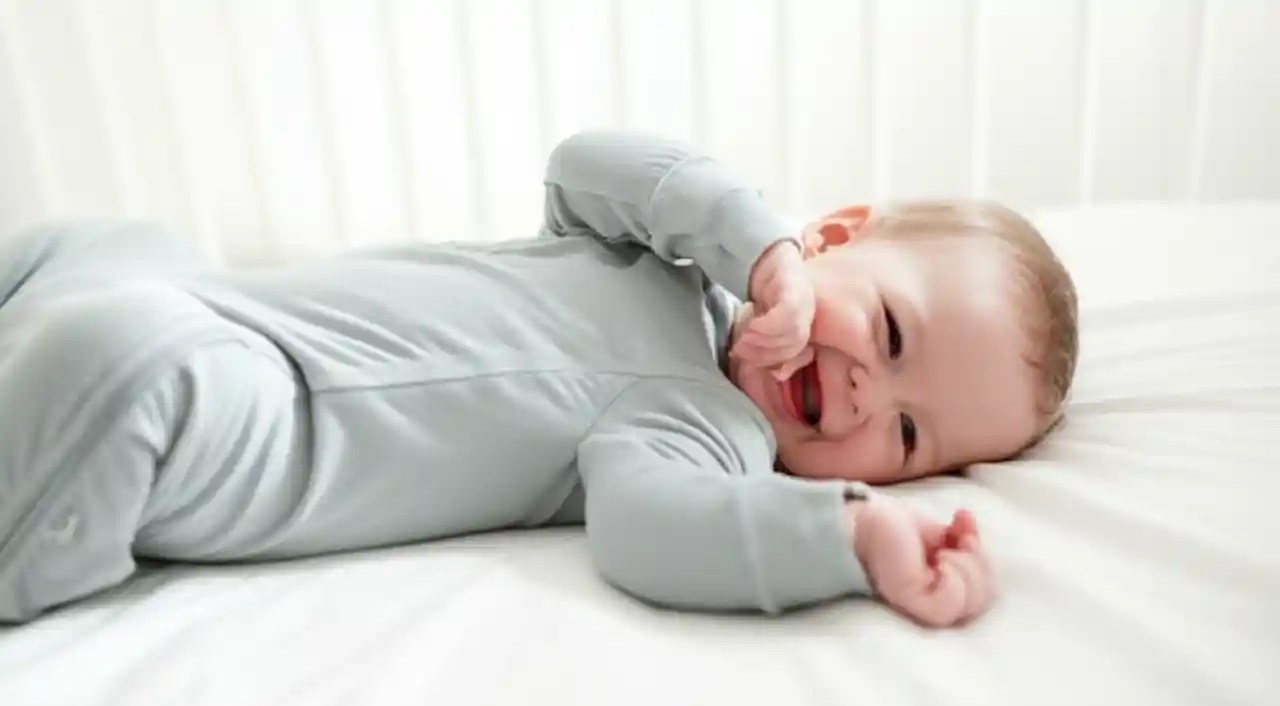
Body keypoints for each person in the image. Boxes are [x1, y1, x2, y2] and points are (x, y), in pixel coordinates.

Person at [0, 131, 1077, 626]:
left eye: (905, 437)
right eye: (887, 335)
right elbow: (586, 162)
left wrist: (846, 537)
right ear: (829, 236)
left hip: (259, 420)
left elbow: (655, 531)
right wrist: (755, 250)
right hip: (209, 295)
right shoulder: (655, 252)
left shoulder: (707, 434)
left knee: (127, 365)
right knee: (106, 247)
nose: (863, 396)